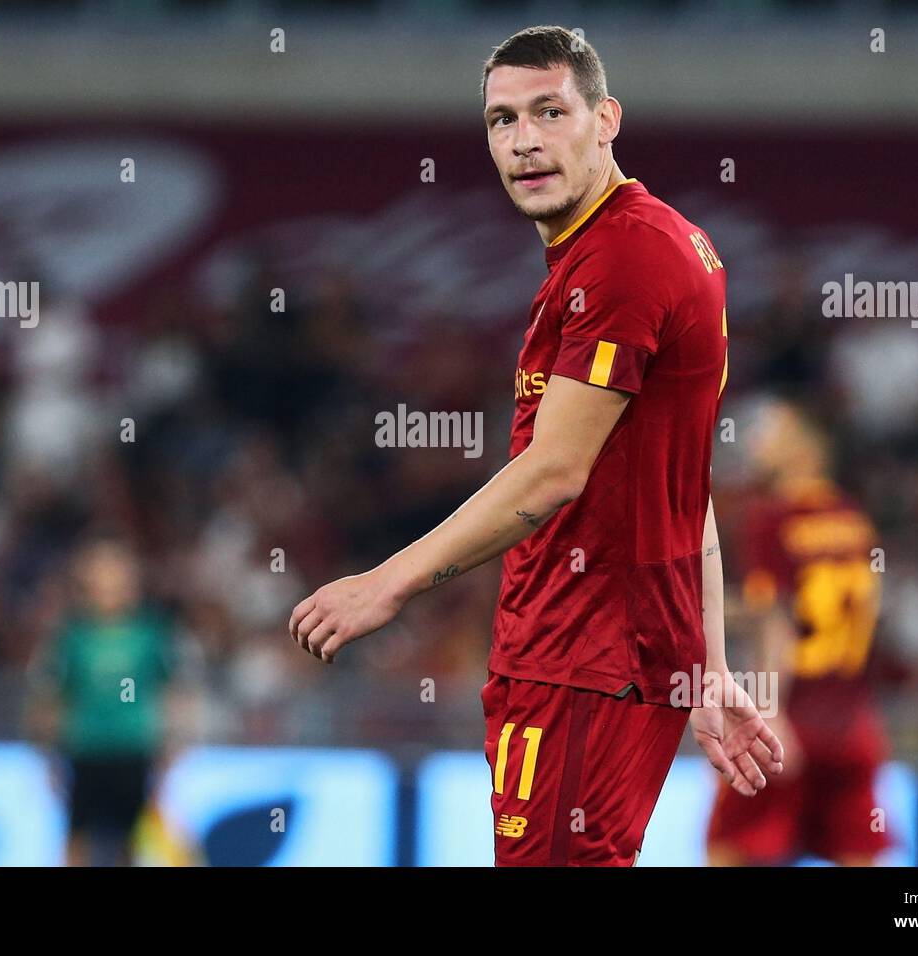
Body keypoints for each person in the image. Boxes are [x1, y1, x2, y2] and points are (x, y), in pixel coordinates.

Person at [289, 24, 782, 866]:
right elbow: (682, 486)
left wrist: (388, 583)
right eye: (501, 120)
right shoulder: (648, 243)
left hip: (582, 657)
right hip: (612, 654)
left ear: (605, 118)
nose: (523, 142)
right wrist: (708, 666)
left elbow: (553, 473)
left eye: (549, 112)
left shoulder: (622, 259)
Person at [707, 399, 890, 866]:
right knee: (856, 852)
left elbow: (776, 617)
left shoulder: (773, 517)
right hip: (853, 722)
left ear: (805, 447)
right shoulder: (854, 519)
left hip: (787, 715)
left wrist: (767, 704)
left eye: (773, 431)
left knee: (729, 850)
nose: (757, 441)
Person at [31, 535, 176, 866]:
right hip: (84, 751)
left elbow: (170, 692)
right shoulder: (72, 636)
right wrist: (48, 755)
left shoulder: (150, 633)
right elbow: (51, 696)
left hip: (133, 751)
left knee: (132, 838)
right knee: (76, 835)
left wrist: (170, 750)